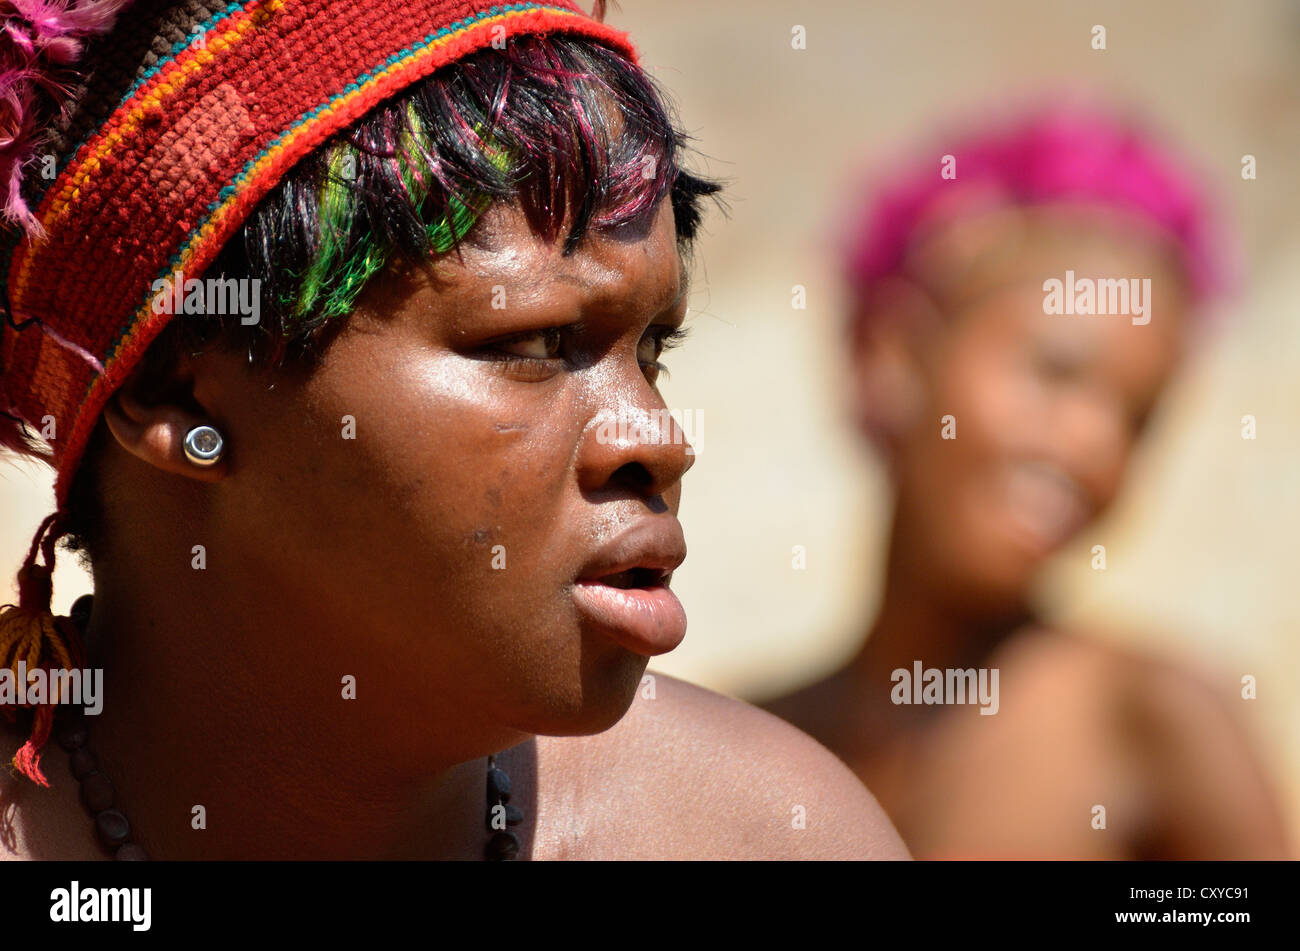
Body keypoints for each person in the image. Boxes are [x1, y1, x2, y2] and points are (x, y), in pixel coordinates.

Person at [0, 0, 907, 860]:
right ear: (181, 402)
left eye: (653, 349)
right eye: (535, 345)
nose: (660, 439)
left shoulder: (763, 834)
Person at [761, 104, 1289, 859]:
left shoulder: (1154, 725)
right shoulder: (751, 741)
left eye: (1137, 419)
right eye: (1056, 371)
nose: (1092, 448)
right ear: (897, 352)